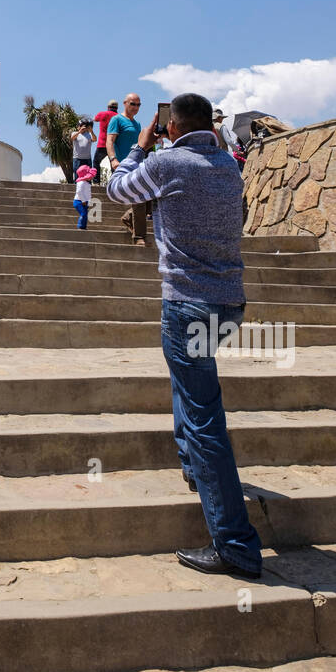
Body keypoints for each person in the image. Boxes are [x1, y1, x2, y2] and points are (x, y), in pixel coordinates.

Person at [106, 91, 262, 581]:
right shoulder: (229, 167)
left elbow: (117, 191)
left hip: (187, 303)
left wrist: (137, 148)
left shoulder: (167, 162)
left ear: (172, 126)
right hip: (229, 302)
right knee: (189, 385)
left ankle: (236, 545)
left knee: (204, 420)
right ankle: (194, 467)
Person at [106, 93, 146, 244]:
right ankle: (139, 236)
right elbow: (109, 141)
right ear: (124, 103)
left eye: (138, 105)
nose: (135, 107)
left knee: (148, 194)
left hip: (136, 165)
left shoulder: (137, 124)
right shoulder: (117, 120)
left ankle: (129, 217)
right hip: (121, 164)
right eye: (132, 104)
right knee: (139, 196)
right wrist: (113, 159)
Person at [92, 100, 118, 178]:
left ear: (108, 107)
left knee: (96, 162)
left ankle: (96, 182)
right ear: (117, 108)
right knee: (113, 164)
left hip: (102, 144)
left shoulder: (102, 114)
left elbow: (95, 119)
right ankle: (114, 182)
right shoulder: (119, 117)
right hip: (113, 145)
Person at [69, 117, 97, 182]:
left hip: (87, 159)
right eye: (81, 126)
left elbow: (95, 139)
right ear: (78, 126)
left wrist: (91, 131)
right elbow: (72, 138)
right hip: (77, 159)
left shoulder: (89, 135)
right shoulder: (75, 133)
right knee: (77, 177)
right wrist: (79, 132)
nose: (83, 128)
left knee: (88, 178)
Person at [72, 163, 96, 230]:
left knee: (85, 214)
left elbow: (87, 192)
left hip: (84, 201)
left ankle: (83, 227)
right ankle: (80, 226)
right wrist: (83, 201)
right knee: (83, 214)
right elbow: (79, 192)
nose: (91, 177)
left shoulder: (86, 183)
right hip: (79, 201)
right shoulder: (81, 183)